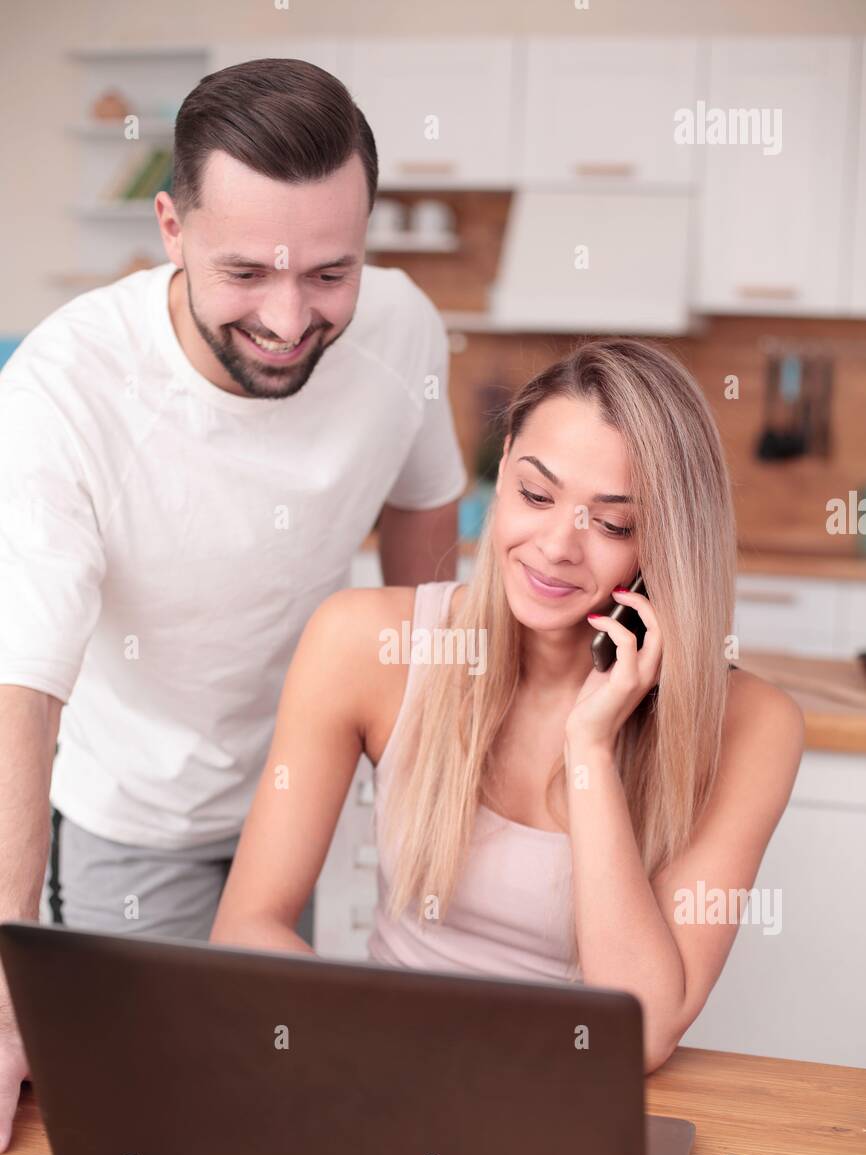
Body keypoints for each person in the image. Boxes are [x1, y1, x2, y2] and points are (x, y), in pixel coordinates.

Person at [0, 59, 467, 1150]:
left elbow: (424, 519)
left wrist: (430, 766)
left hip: (290, 808)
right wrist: (3, 969)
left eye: (327, 274)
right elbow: (21, 692)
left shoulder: (399, 328)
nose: (289, 317)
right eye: (245, 271)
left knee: (262, 1107)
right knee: (147, 1126)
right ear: (170, 225)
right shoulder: (66, 391)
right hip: (130, 820)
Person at [211, 338, 805, 1074]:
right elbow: (246, 925)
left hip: (570, 1095)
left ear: (668, 546)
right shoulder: (364, 641)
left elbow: (644, 1031)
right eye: (534, 494)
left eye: (614, 524)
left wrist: (590, 748)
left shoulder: (754, 727)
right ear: (503, 473)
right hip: (381, 1067)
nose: (557, 545)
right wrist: (385, 1053)